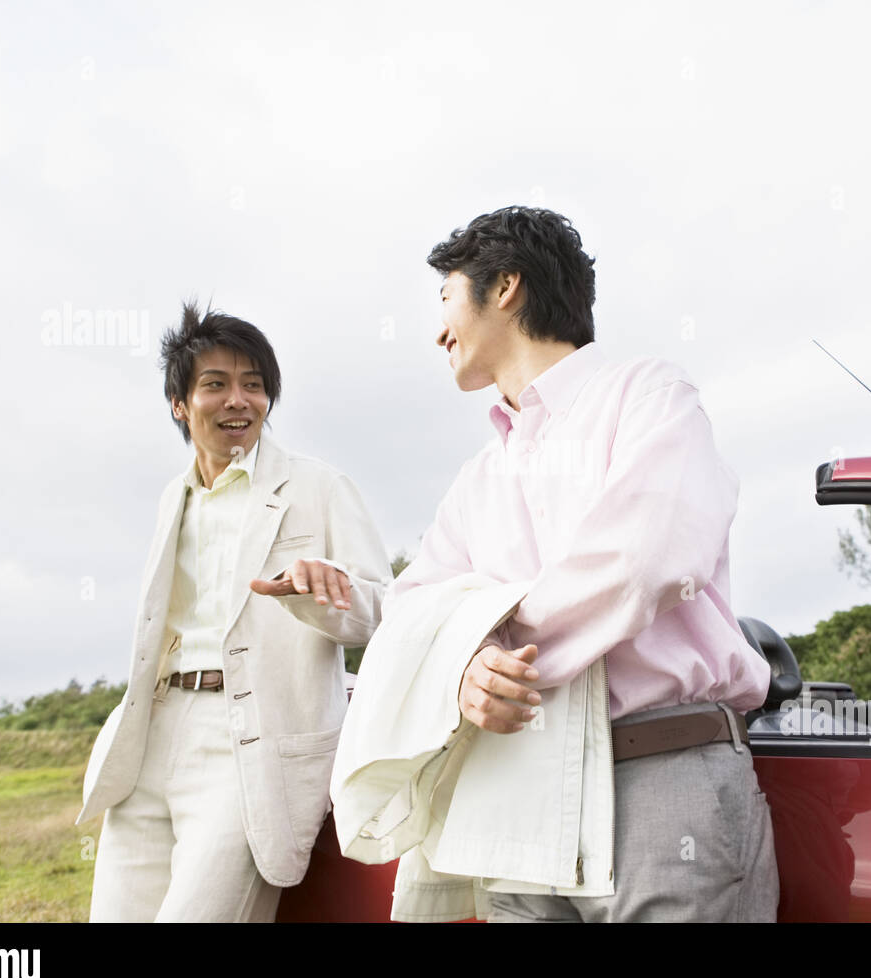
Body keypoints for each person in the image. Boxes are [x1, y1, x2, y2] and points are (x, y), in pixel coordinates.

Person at [387, 206, 779, 921]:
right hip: (514, 797)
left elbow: (646, 558)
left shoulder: (650, 395)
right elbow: (415, 607)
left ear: (504, 287)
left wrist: (494, 652)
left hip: (657, 785)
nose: (437, 329)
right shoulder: (478, 478)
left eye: (446, 297)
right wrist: (462, 665)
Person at [77, 300, 390, 921]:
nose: (237, 400)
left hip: (248, 744)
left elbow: (379, 611)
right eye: (215, 385)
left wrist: (321, 593)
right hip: (152, 738)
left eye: (253, 385)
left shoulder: (317, 487)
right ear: (179, 404)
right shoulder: (174, 498)